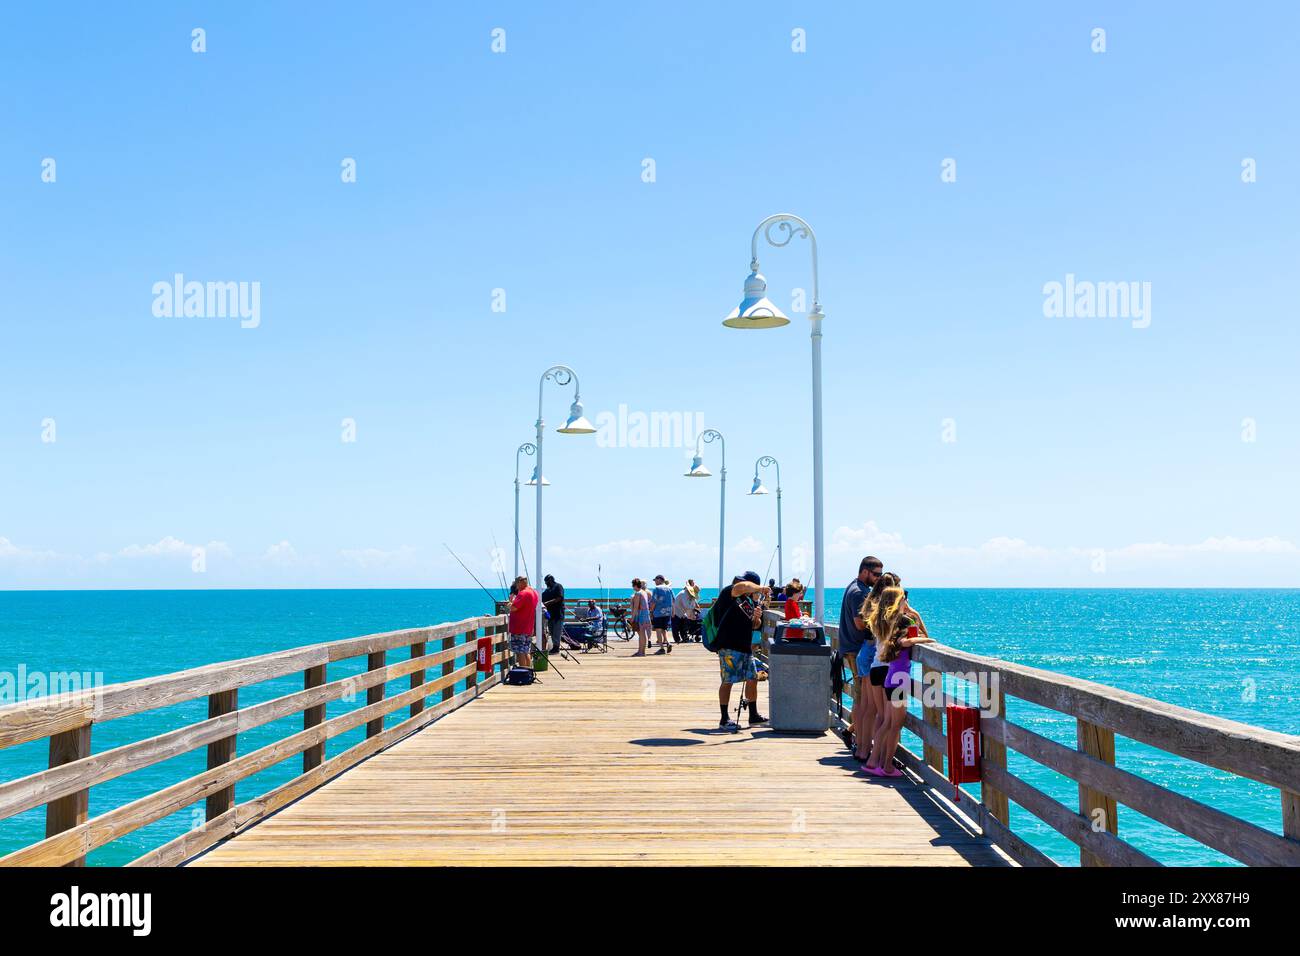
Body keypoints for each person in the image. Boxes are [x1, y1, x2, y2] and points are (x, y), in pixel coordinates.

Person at [861, 586, 934, 777]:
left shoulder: (881, 622)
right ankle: (885, 766)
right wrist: (916, 617)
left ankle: (874, 762)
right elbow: (918, 637)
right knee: (894, 724)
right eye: (903, 599)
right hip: (897, 681)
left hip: (887, 675)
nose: (905, 602)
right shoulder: (901, 625)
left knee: (887, 722)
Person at [711, 571, 770, 731]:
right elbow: (742, 586)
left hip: (745, 647)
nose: (739, 581)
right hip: (728, 645)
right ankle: (724, 719)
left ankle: (753, 715)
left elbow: (754, 625)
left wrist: (757, 617)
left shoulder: (749, 602)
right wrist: (762, 587)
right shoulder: (730, 592)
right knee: (728, 680)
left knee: (753, 678)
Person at [838, 556, 883, 762]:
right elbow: (859, 624)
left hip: (854, 649)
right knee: (862, 699)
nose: (878, 578)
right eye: (876, 574)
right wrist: (883, 624)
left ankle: (853, 734)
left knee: (864, 699)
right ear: (865, 571)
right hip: (857, 650)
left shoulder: (855, 588)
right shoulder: (859, 592)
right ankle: (859, 742)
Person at [506, 575, 540, 669]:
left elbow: (514, 608)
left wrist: (509, 603)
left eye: (517, 584)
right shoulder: (534, 593)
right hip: (528, 627)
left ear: (520, 582)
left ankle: (522, 672)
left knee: (520, 652)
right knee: (526, 651)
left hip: (519, 628)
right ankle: (528, 672)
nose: (517, 587)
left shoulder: (523, 593)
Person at [650, 574, 675, 654]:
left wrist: (651, 611)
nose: (655, 582)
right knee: (664, 629)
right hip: (668, 612)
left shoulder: (656, 589)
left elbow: (653, 601)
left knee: (658, 629)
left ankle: (661, 648)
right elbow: (673, 601)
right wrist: (673, 612)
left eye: (656, 580)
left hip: (658, 612)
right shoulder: (669, 589)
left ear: (660, 580)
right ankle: (668, 643)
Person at [541, 574, 565, 654]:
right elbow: (541, 598)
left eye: (547, 582)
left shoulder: (558, 586)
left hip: (558, 614)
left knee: (557, 632)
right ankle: (554, 647)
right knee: (551, 631)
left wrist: (548, 603)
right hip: (550, 615)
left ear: (551, 580)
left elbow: (559, 598)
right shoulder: (547, 590)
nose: (546, 583)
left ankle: (556, 647)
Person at [629, 578, 652, 656]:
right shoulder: (644, 592)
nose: (632, 587)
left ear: (635, 585)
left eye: (633, 586)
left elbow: (635, 608)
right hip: (646, 614)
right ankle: (642, 651)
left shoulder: (638, 593)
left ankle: (641, 652)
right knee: (643, 634)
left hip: (641, 615)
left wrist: (632, 618)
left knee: (641, 634)